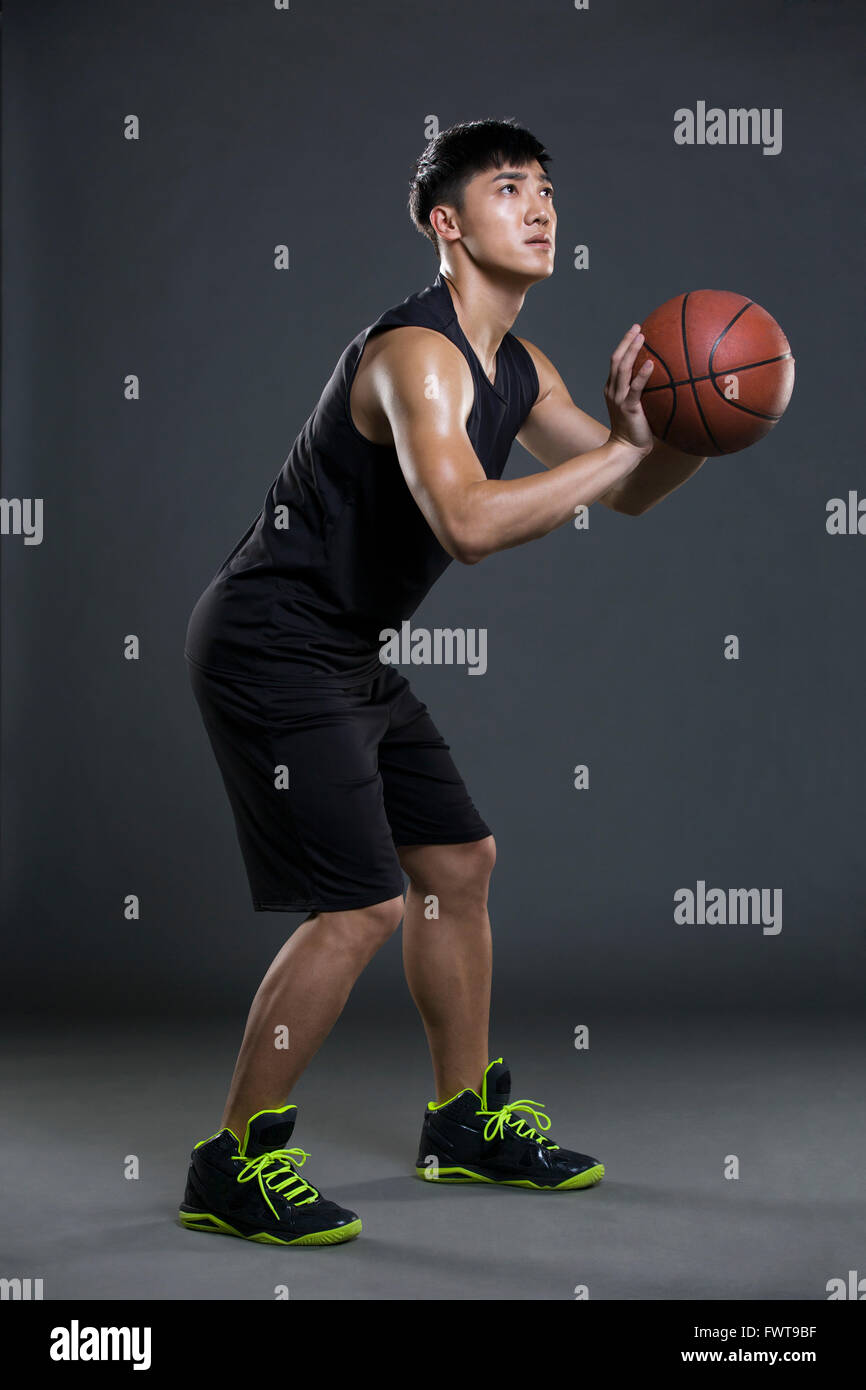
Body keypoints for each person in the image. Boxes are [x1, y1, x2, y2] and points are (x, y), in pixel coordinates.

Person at [178, 118, 706, 1246]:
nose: (539, 206)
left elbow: (623, 491)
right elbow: (467, 522)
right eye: (508, 188)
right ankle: (230, 1162)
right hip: (269, 641)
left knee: (456, 861)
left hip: (345, 650)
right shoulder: (415, 355)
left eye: (546, 189)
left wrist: (696, 424)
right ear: (446, 224)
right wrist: (617, 449)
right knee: (360, 902)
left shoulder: (522, 368)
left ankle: (460, 1123)